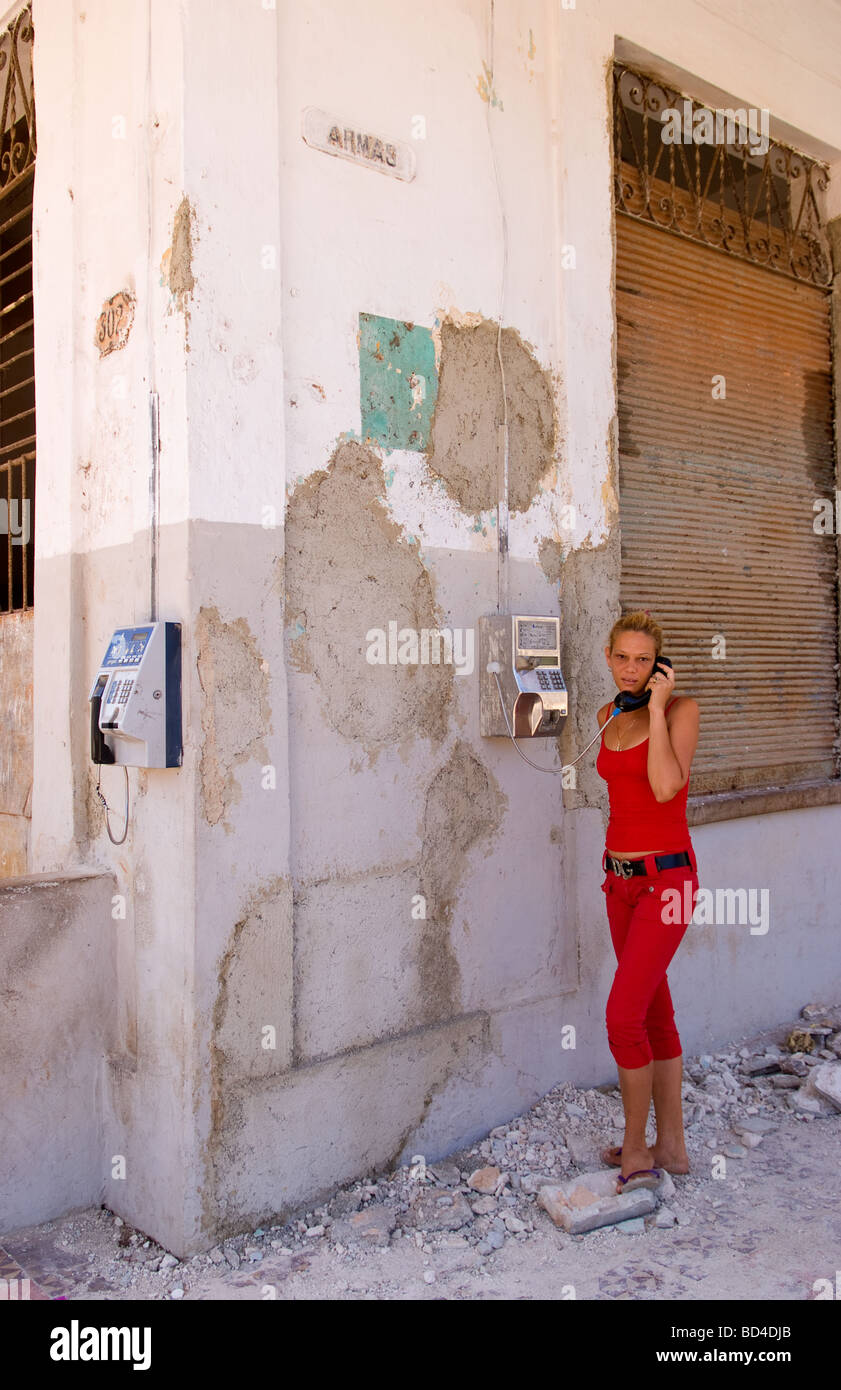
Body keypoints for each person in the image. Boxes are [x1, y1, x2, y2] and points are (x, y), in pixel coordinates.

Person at [594, 609, 700, 1195]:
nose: (632, 669)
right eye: (623, 658)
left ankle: (637, 1149)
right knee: (654, 1015)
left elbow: (664, 786)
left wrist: (657, 710)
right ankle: (674, 1148)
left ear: (659, 665)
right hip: (620, 883)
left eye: (643, 660)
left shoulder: (681, 712)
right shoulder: (606, 715)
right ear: (608, 658)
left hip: (668, 883)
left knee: (622, 1017)